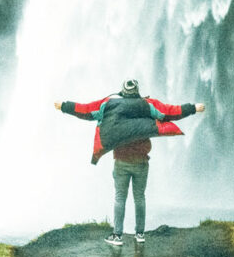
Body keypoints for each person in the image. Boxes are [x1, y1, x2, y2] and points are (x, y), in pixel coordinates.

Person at [55, 79, 206, 246]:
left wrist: (64, 106)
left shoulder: (109, 104)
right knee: (140, 197)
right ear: (137, 91)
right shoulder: (147, 104)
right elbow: (171, 111)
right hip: (141, 161)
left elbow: (85, 110)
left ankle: (117, 236)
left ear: (123, 91)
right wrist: (193, 108)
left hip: (121, 161)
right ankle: (140, 234)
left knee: (120, 198)